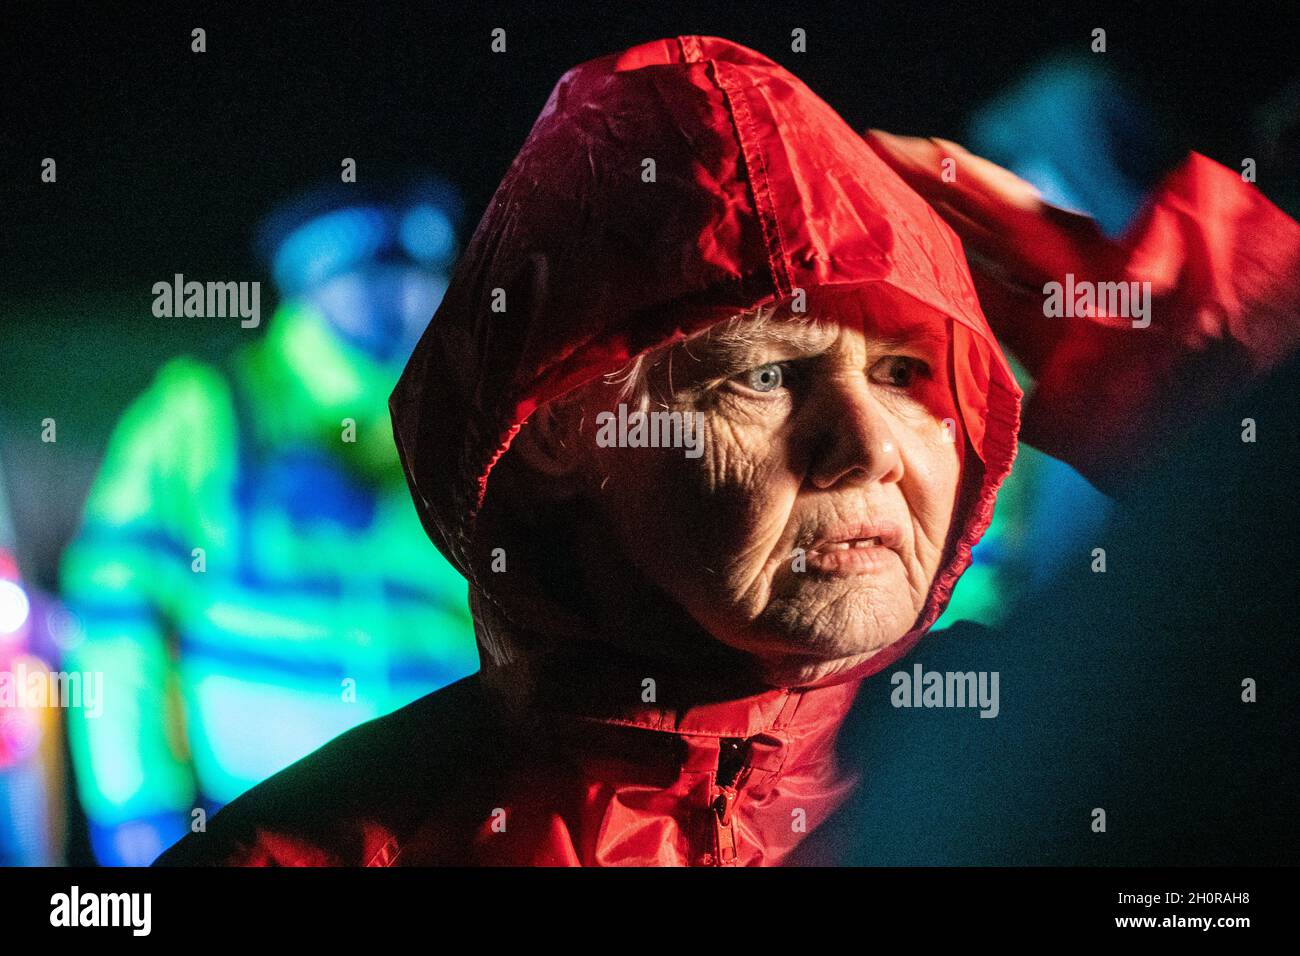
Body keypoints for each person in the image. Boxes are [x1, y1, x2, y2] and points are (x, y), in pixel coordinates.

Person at [156, 35, 1300, 867]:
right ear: (558, 425)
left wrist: (1230, 364)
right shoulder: (318, 851)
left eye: (907, 371)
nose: (867, 448)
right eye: (764, 373)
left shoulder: (1061, 754)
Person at [61, 179, 480, 866]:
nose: (408, 297)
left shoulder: (471, 420)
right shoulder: (206, 414)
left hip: (448, 825)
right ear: (309, 277)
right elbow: (115, 613)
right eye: (376, 272)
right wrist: (137, 811)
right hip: (254, 827)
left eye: (427, 271)